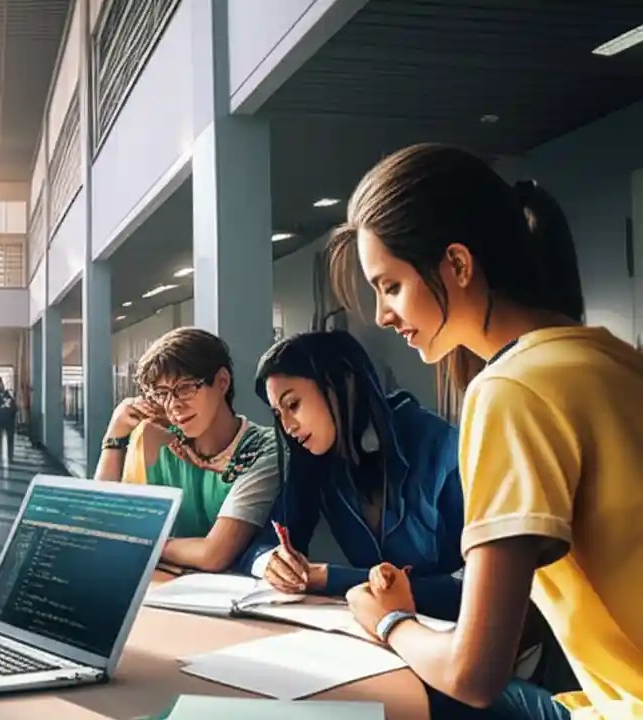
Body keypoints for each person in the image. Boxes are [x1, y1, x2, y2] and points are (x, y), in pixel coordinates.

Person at [328, 143, 642, 718]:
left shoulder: (510, 391)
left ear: (459, 264)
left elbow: (472, 675)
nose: (381, 315)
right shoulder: (613, 358)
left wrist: (390, 620)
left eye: (390, 285)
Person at [247, 330, 465, 623]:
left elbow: (470, 589)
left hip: (459, 640)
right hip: (380, 632)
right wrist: (270, 563)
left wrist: (331, 578)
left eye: (293, 405)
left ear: (343, 383)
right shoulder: (316, 460)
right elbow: (260, 546)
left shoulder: (444, 452)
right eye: (278, 413)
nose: (287, 426)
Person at [95, 328, 279, 574]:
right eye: (162, 394)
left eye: (185, 388)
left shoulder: (263, 449)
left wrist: (140, 543)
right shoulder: (156, 440)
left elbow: (213, 555)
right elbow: (100, 521)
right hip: (164, 586)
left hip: (241, 593)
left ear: (222, 382)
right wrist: (114, 435)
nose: (174, 405)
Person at [0, 388, 18, 461]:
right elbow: (15, 410)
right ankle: (10, 456)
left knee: (0, 438)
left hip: (1, 422)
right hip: (9, 423)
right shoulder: (12, 401)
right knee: (10, 440)